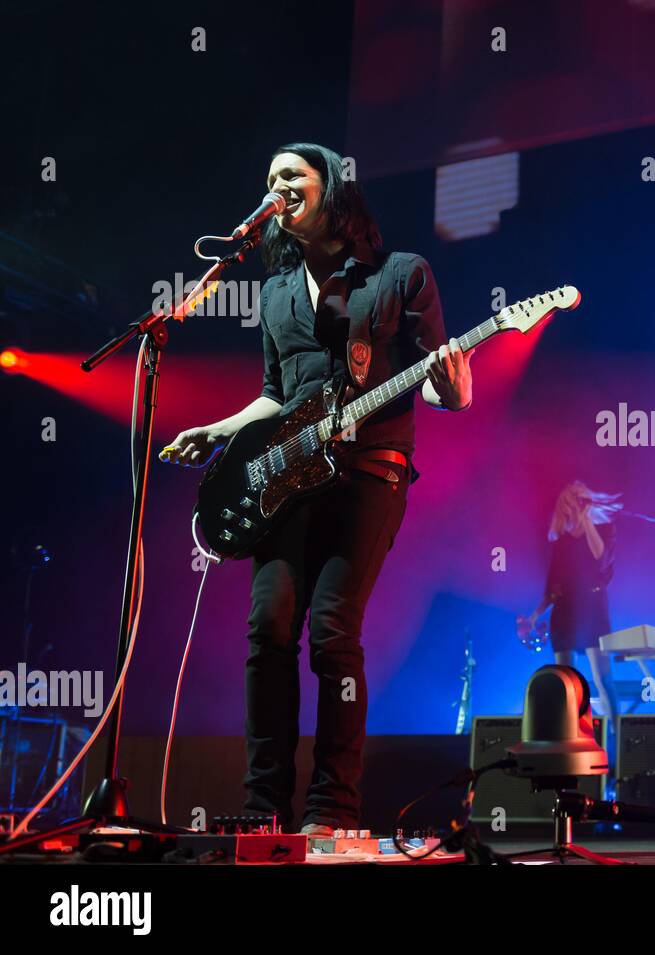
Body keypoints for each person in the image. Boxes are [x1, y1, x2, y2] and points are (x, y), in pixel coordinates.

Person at [159, 143, 473, 836]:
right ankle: (263, 806)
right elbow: (275, 396)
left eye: (291, 175)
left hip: (369, 470)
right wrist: (216, 428)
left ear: (331, 187)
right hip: (287, 477)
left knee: (333, 631)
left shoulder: (399, 274)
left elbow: (441, 378)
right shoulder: (273, 293)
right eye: (269, 177)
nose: (277, 185)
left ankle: (332, 808)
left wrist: (455, 391)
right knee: (267, 626)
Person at [522, 482, 621, 717]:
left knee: (603, 678)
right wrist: (535, 615)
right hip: (565, 610)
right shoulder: (561, 541)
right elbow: (552, 585)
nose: (576, 503)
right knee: (568, 683)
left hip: (593, 607)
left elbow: (601, 557)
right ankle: (577, 735)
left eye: (580, 498)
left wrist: (587, 520)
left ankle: (617, 736)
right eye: (571, 499)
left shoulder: (605, 528)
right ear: (565, 505)